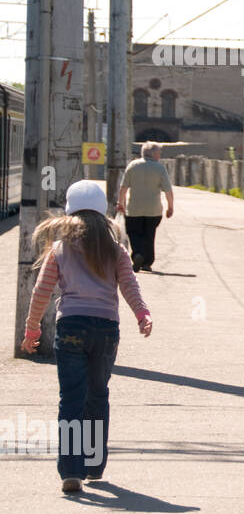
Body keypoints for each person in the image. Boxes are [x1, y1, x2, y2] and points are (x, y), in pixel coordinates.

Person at [22, 180, 154, 495]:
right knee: (97, 395)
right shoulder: (116, 249)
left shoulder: (60, 249)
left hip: (71, 328)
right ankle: (93, 463)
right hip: (106, 330)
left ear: (69, 212)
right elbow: (129, 286)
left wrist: (32, 329)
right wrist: (142, 314)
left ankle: (71, 470)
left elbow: (41, 292)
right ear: (102, 213)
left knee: (71, 399)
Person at [117, 141, 174, 272]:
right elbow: (168, 190)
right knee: (149, 234)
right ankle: (147, 262)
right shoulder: (160, 168)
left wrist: (120, 204)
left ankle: (137, 254)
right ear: (153, 153)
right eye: (159, 152)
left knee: (134, 233)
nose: (160, 155)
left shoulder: (132, 166)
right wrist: (170, 207)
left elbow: (123, 188)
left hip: (133, 209)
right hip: (154, 210)